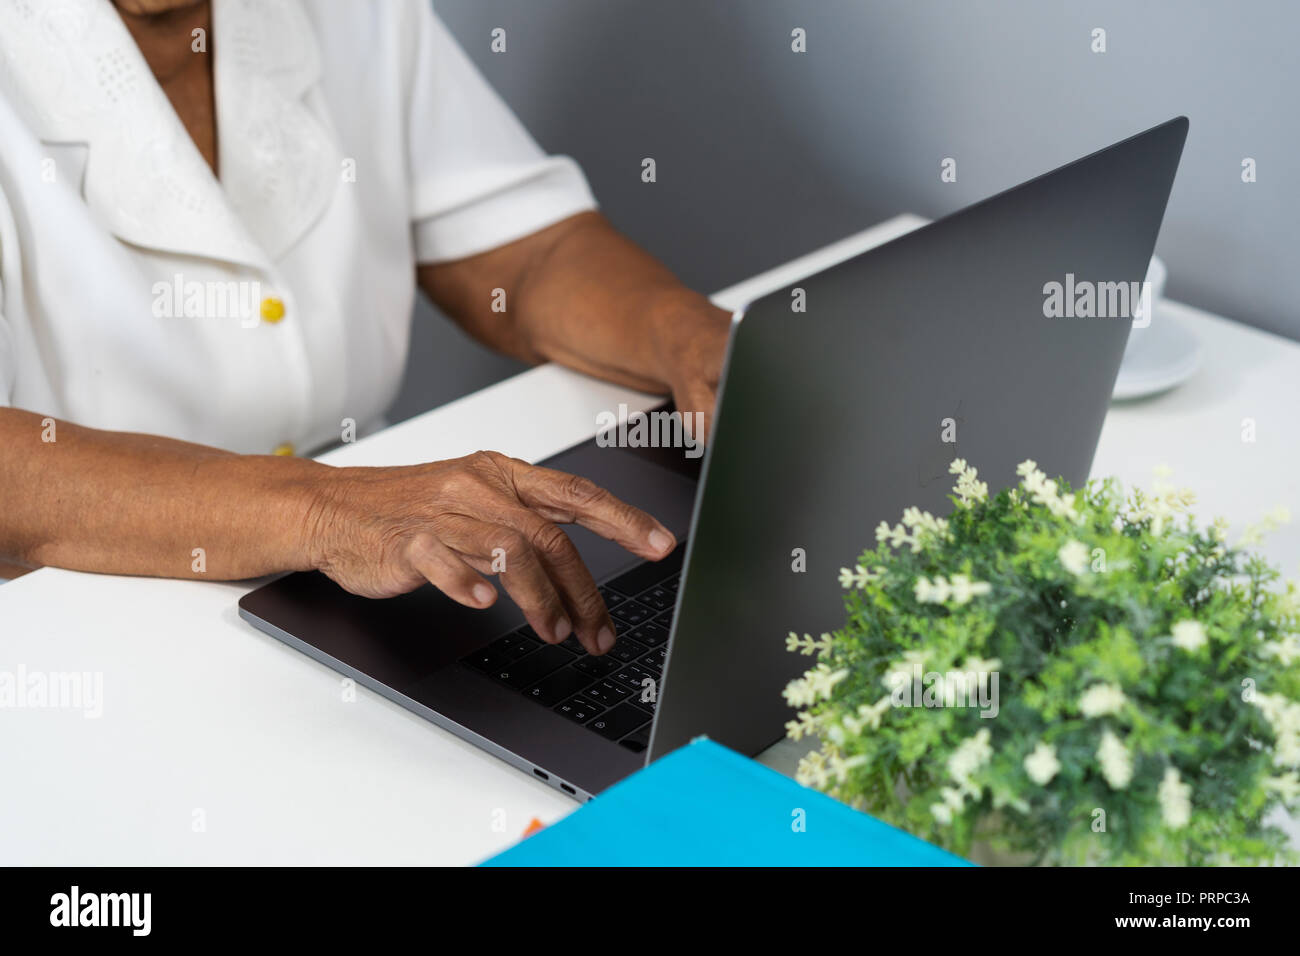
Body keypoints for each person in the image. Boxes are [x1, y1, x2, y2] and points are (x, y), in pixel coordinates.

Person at [0, 0, 730, 657]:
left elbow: (522, 251)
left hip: (374, 583)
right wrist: (324, 508)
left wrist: (681, 332)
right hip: (82, 617)